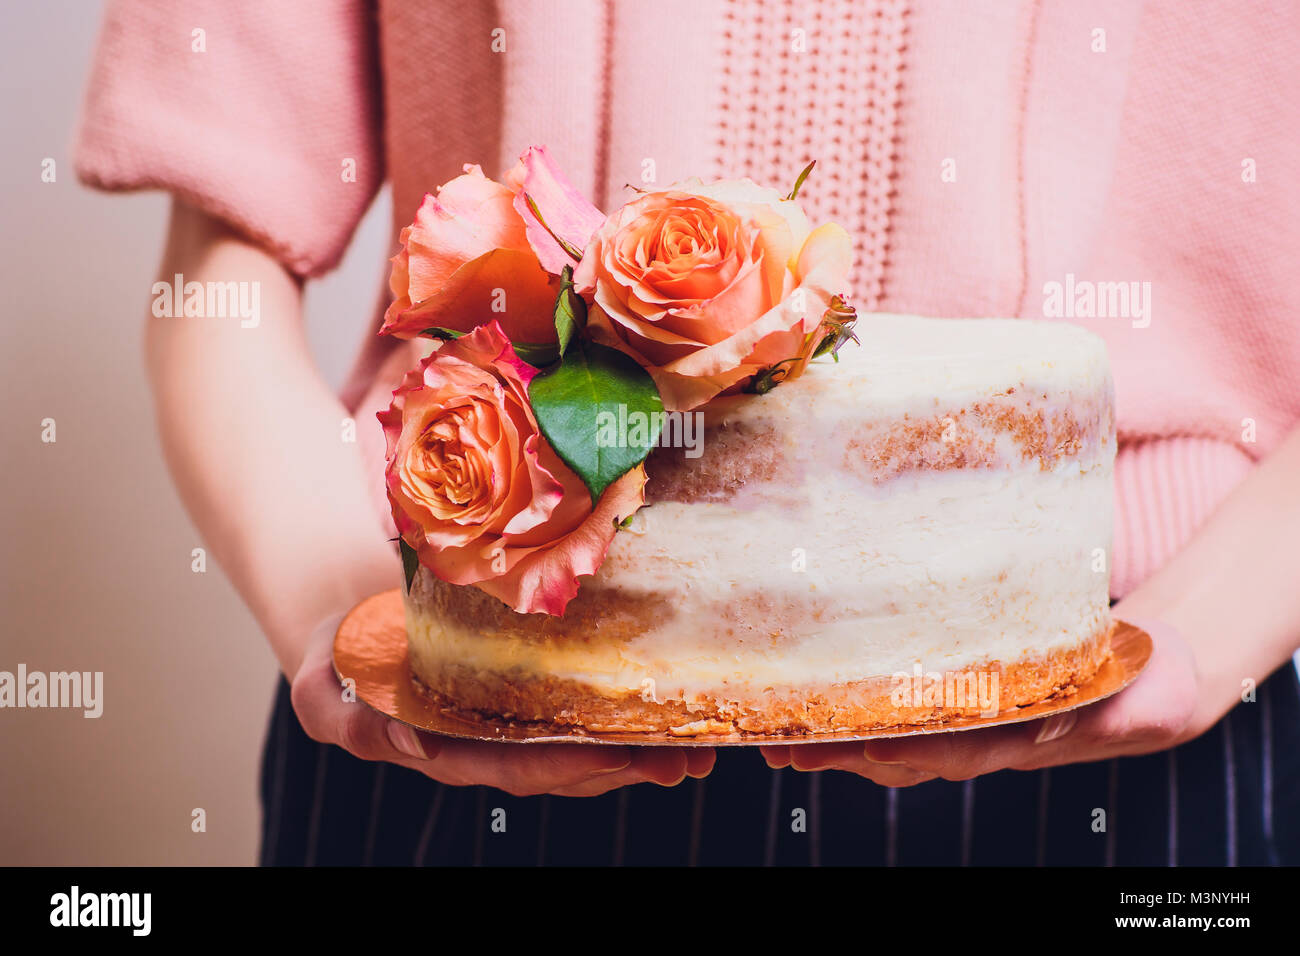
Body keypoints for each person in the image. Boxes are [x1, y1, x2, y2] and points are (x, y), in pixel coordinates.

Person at [75, 0, 1299, 864]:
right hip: (477, 717)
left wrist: (1198, 633)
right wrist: (336, 620)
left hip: (1137, 732)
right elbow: (217, 269)